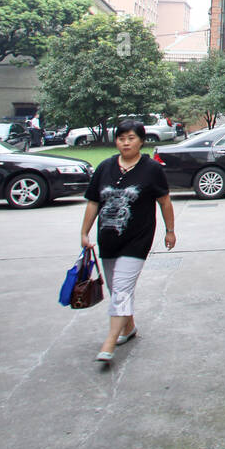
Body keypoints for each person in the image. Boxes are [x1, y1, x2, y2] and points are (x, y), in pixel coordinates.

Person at [79, 119, 175, 363]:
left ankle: (110, 342)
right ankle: (129, 327)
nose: (126, 143)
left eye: (131, 138)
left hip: (138, 238)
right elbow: (93, 202)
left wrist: (170, 230)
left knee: (121, 287)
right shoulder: (105, 167)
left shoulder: (151, 169)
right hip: (108, 238)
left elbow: (164, 201)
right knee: (116, 289)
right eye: (122, 138)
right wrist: (84, 233)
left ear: (141, 141)